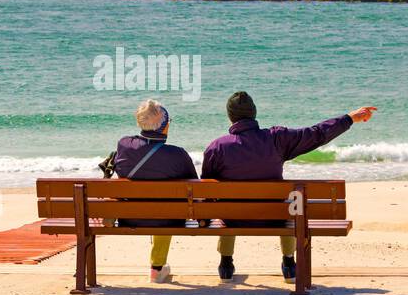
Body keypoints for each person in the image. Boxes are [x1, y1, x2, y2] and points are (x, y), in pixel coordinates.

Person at [202, 91, 376, 282]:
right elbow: (316, 134)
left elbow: (207, 190)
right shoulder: (277, 138)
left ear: (230, 116)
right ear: (254, 113)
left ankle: (226, 263)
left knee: (226, 202)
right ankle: (288, 263)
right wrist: (349, 118)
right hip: (273, 216)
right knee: (289, 206)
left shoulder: (216, 147)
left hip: (233, 219)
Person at [113, 99, 197, 283]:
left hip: (129, 216)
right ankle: (157, 268)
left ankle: (157, 267)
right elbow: (195, 189)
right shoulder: (177, 154)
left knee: (160, 206)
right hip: (167, 219)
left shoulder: (124, 145)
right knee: (166, 208)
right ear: (164, 126)